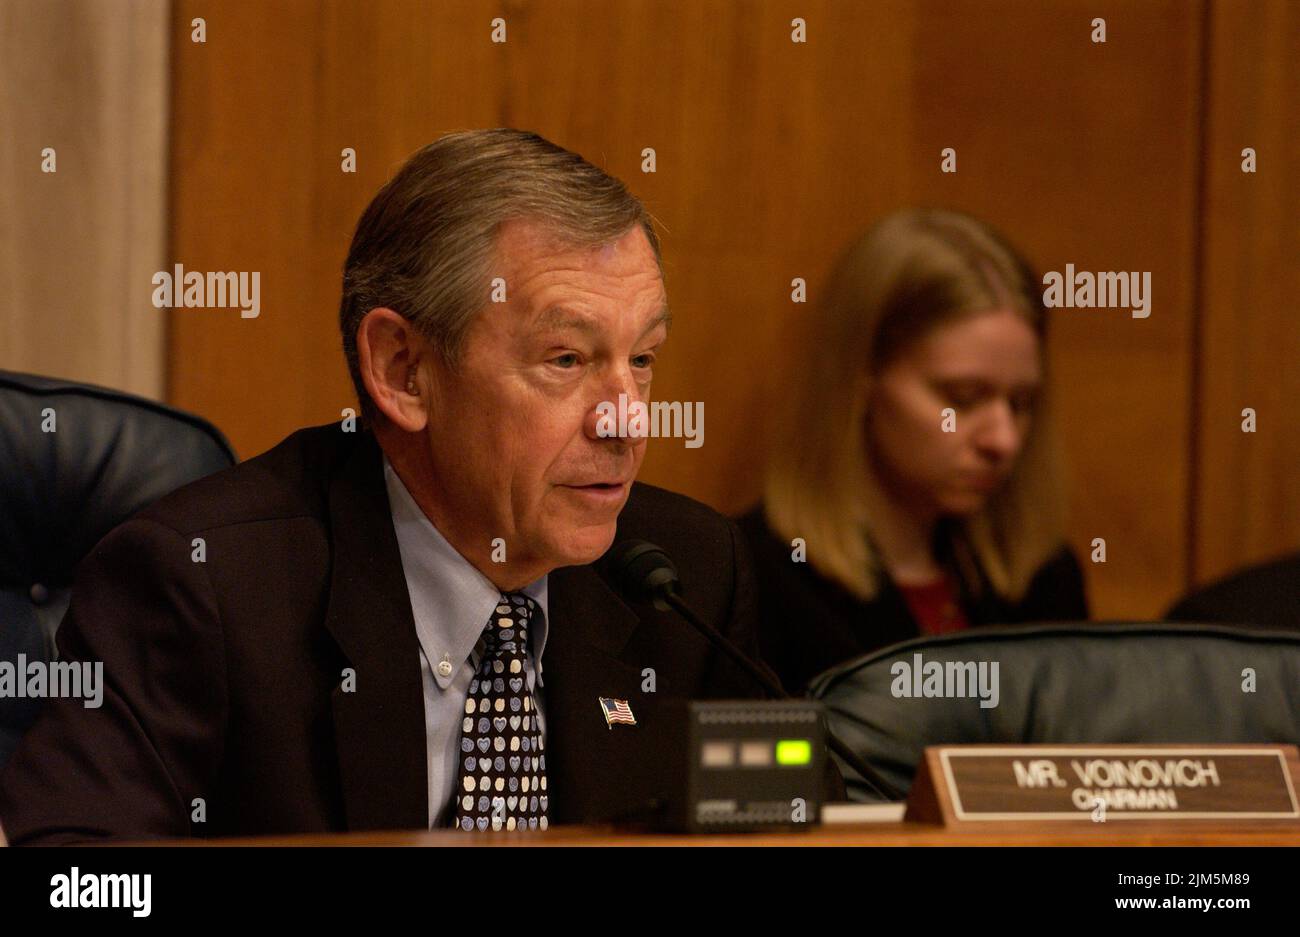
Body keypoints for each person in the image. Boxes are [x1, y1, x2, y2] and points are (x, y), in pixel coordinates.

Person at [0, 129, 816, 843]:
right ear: (403, 370)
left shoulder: (685, 577)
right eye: (566, 360)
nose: (628, 420)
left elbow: (802, 837)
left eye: (640, 360)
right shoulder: (205, 586)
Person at [739, 208, 1089, 694]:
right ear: (861, 376)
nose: (1003, 439)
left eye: (1022, 403)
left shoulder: (1043, 579)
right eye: (962, 398)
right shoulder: (755, 581)